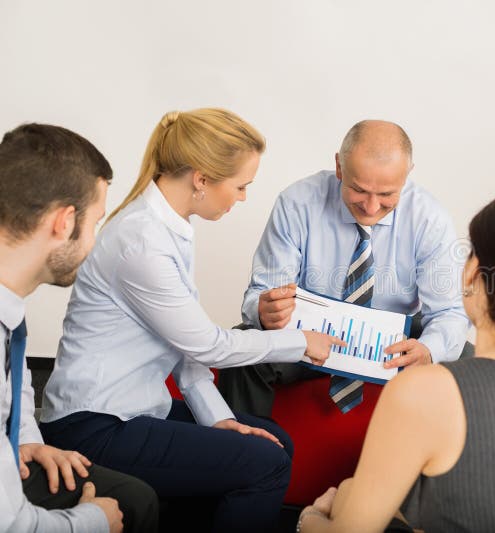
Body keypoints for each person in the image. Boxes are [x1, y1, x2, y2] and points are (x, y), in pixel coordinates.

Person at [39, 109, 344, 532]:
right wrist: (299, 341)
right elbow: (207, 344)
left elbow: (183, 348)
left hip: (135, 412)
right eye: (240, 186)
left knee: (276, 442)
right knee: (266, 465)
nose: (242, 198)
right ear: (201, 179)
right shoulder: (142, 242)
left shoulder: (170, 229)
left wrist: (218, 419)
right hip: (94, 424)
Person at [296, 186, 495, 532]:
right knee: (352, 493)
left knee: (340, 502)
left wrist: (310, 519)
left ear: (472, 273)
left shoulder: (428, 391)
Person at [223, 119, 469, 415]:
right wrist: (263, 311)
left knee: (466, 355)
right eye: (360, 190)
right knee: (244, 345)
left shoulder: (429, 218)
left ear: (407, 175)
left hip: (390, 341)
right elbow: (262, 294)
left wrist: (429, 350)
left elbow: (448, 313)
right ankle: (245, 452)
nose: (371, 207)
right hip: (307, 336)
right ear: (339, 166)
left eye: (387, 195)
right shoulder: (297, 203)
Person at [0, 123, 158, 532]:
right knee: (123, 507)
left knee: (135, 497)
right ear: (64, 222)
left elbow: (14, 388)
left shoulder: (10, 307)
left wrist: (26, 441)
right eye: (95, 223)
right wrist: (91, 520)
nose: (93, 242)